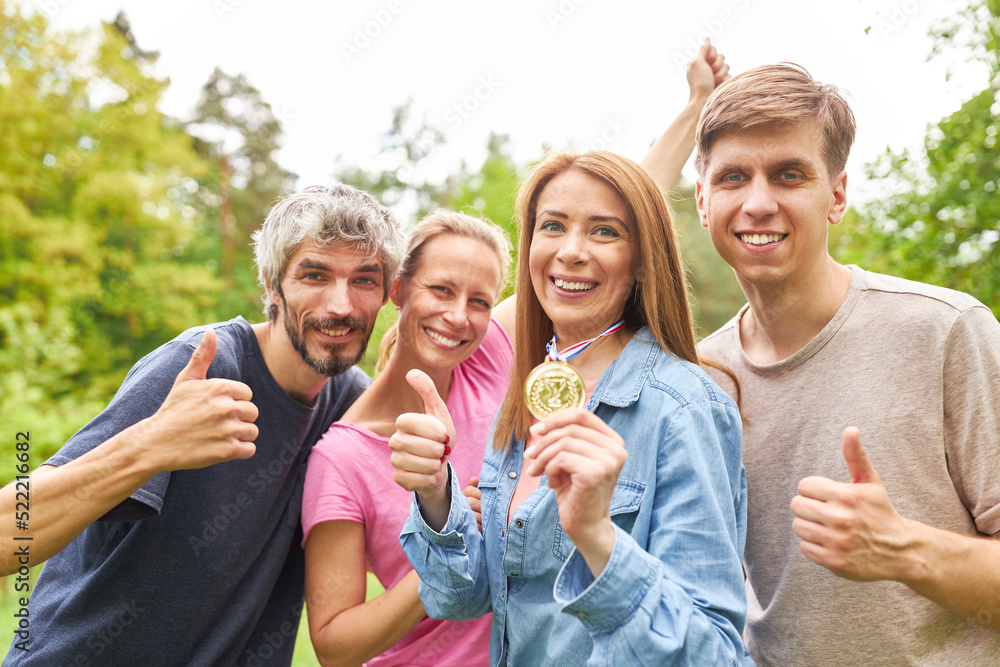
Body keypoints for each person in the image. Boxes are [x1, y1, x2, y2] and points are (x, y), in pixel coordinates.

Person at [1, 184, 405, 666]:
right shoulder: (204, 365)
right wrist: (152, 445)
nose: (340, 305)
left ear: (386, 294)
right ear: (271, 283)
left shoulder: (351, 406)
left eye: (363, 280)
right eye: (314, 275)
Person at [686, 63, 1000, 664]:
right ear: (704, 202)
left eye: (788, 175)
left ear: (836, 195)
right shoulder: (702, 377)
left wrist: (903, 548)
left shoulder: (946, 331)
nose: (757, 202)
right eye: (732, 177)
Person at [390, 150, 753, 665]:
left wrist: (599, 539)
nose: (571, 251)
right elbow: (463, 599)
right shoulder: (526, 398)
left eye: (604, 232)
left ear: (644, 260)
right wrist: (435, 492)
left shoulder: (683, 410)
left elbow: (712, 653)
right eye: (553, 226)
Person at [300, 211, 512, 666]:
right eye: (440, 289)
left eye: (480, 301)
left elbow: (582, 255)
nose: (458, 316)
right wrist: (449, 538)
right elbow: (334, 646)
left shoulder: (488, 356)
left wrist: (692, 139)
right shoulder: (341, 458)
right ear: (397, 289)